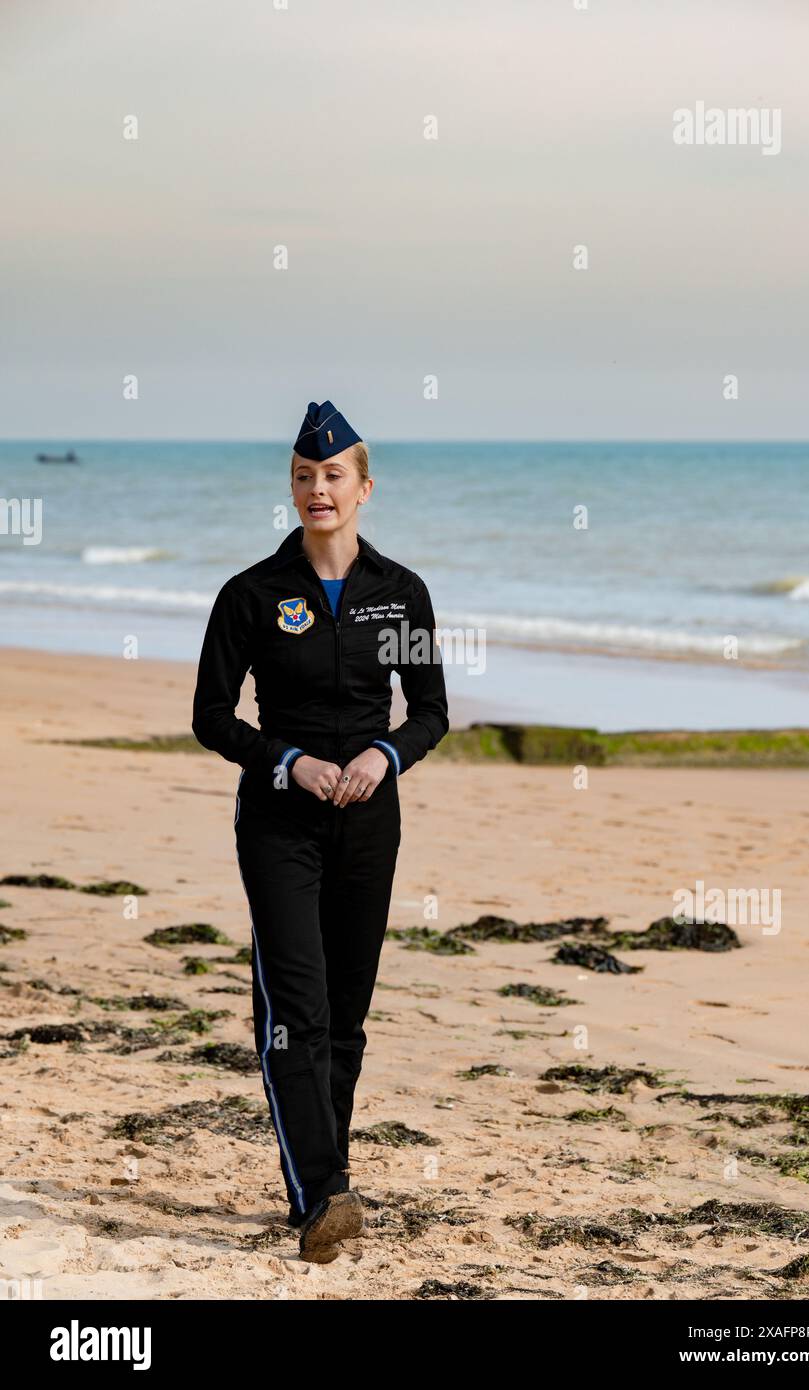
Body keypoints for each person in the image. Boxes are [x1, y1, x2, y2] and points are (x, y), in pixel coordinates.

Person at [191, 400, 449, 1262]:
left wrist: (386, 753)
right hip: (279, 822)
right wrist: (288, 760)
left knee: (345, 1015)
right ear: (291, 489)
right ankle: (324, 1194)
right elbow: (210, 717)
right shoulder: (252, 595)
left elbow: (434, 713)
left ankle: (319, 1181)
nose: (317, 489)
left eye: (333, 476)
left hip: (371, 823)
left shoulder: (400, 594)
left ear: (365, 487)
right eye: (304, 477)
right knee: (294, 1009)